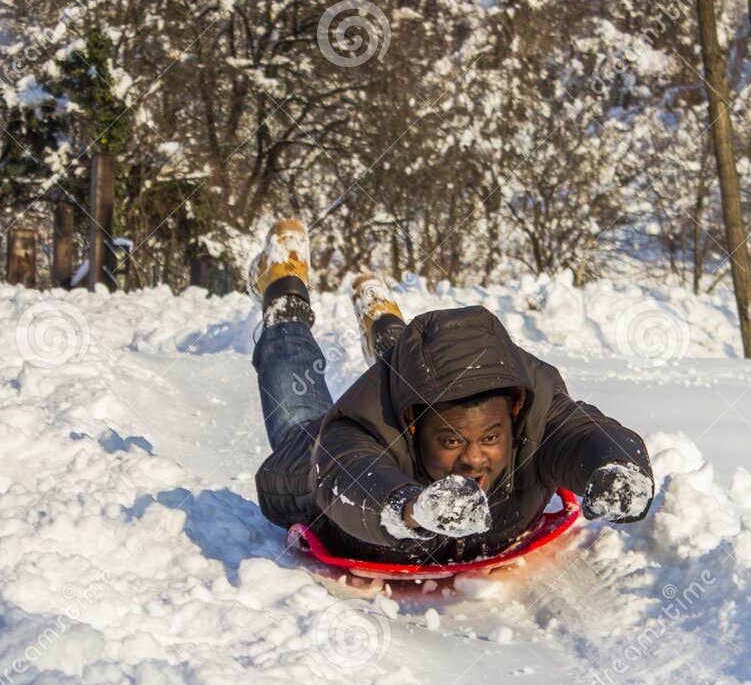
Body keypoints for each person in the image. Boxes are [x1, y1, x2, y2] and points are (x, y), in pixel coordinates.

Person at [250, 218, 655, 565]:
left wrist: (617, 468)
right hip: (308, 457)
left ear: (513, 415)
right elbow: (350, 473)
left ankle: (389, 327)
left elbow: (579, 433)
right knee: (299, 403)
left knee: (420, 369)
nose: (475, 458)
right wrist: (410, 509)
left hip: (413, 390)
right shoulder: (353, 435)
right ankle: (283, 291)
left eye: (492, 437)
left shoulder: (531, 411)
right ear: (412, 425)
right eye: (451, 439)